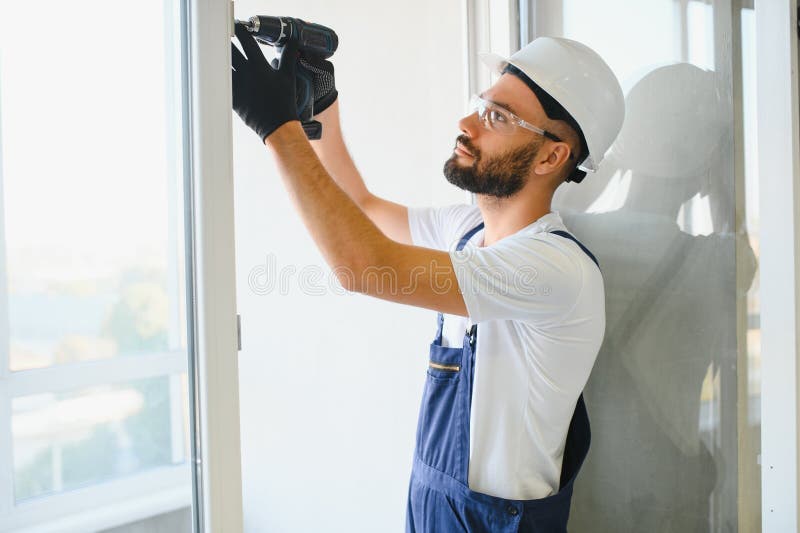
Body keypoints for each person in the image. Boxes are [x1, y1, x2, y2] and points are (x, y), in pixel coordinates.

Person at [231, 23, 624, 532]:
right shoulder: (468, 231)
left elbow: (364, 267)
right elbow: (361, 208)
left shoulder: (555, 271)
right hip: (434, 509)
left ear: (552, 155)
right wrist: (320, 107)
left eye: (497, 116)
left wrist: (277, 128)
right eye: (481, 103)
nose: (466, 122)